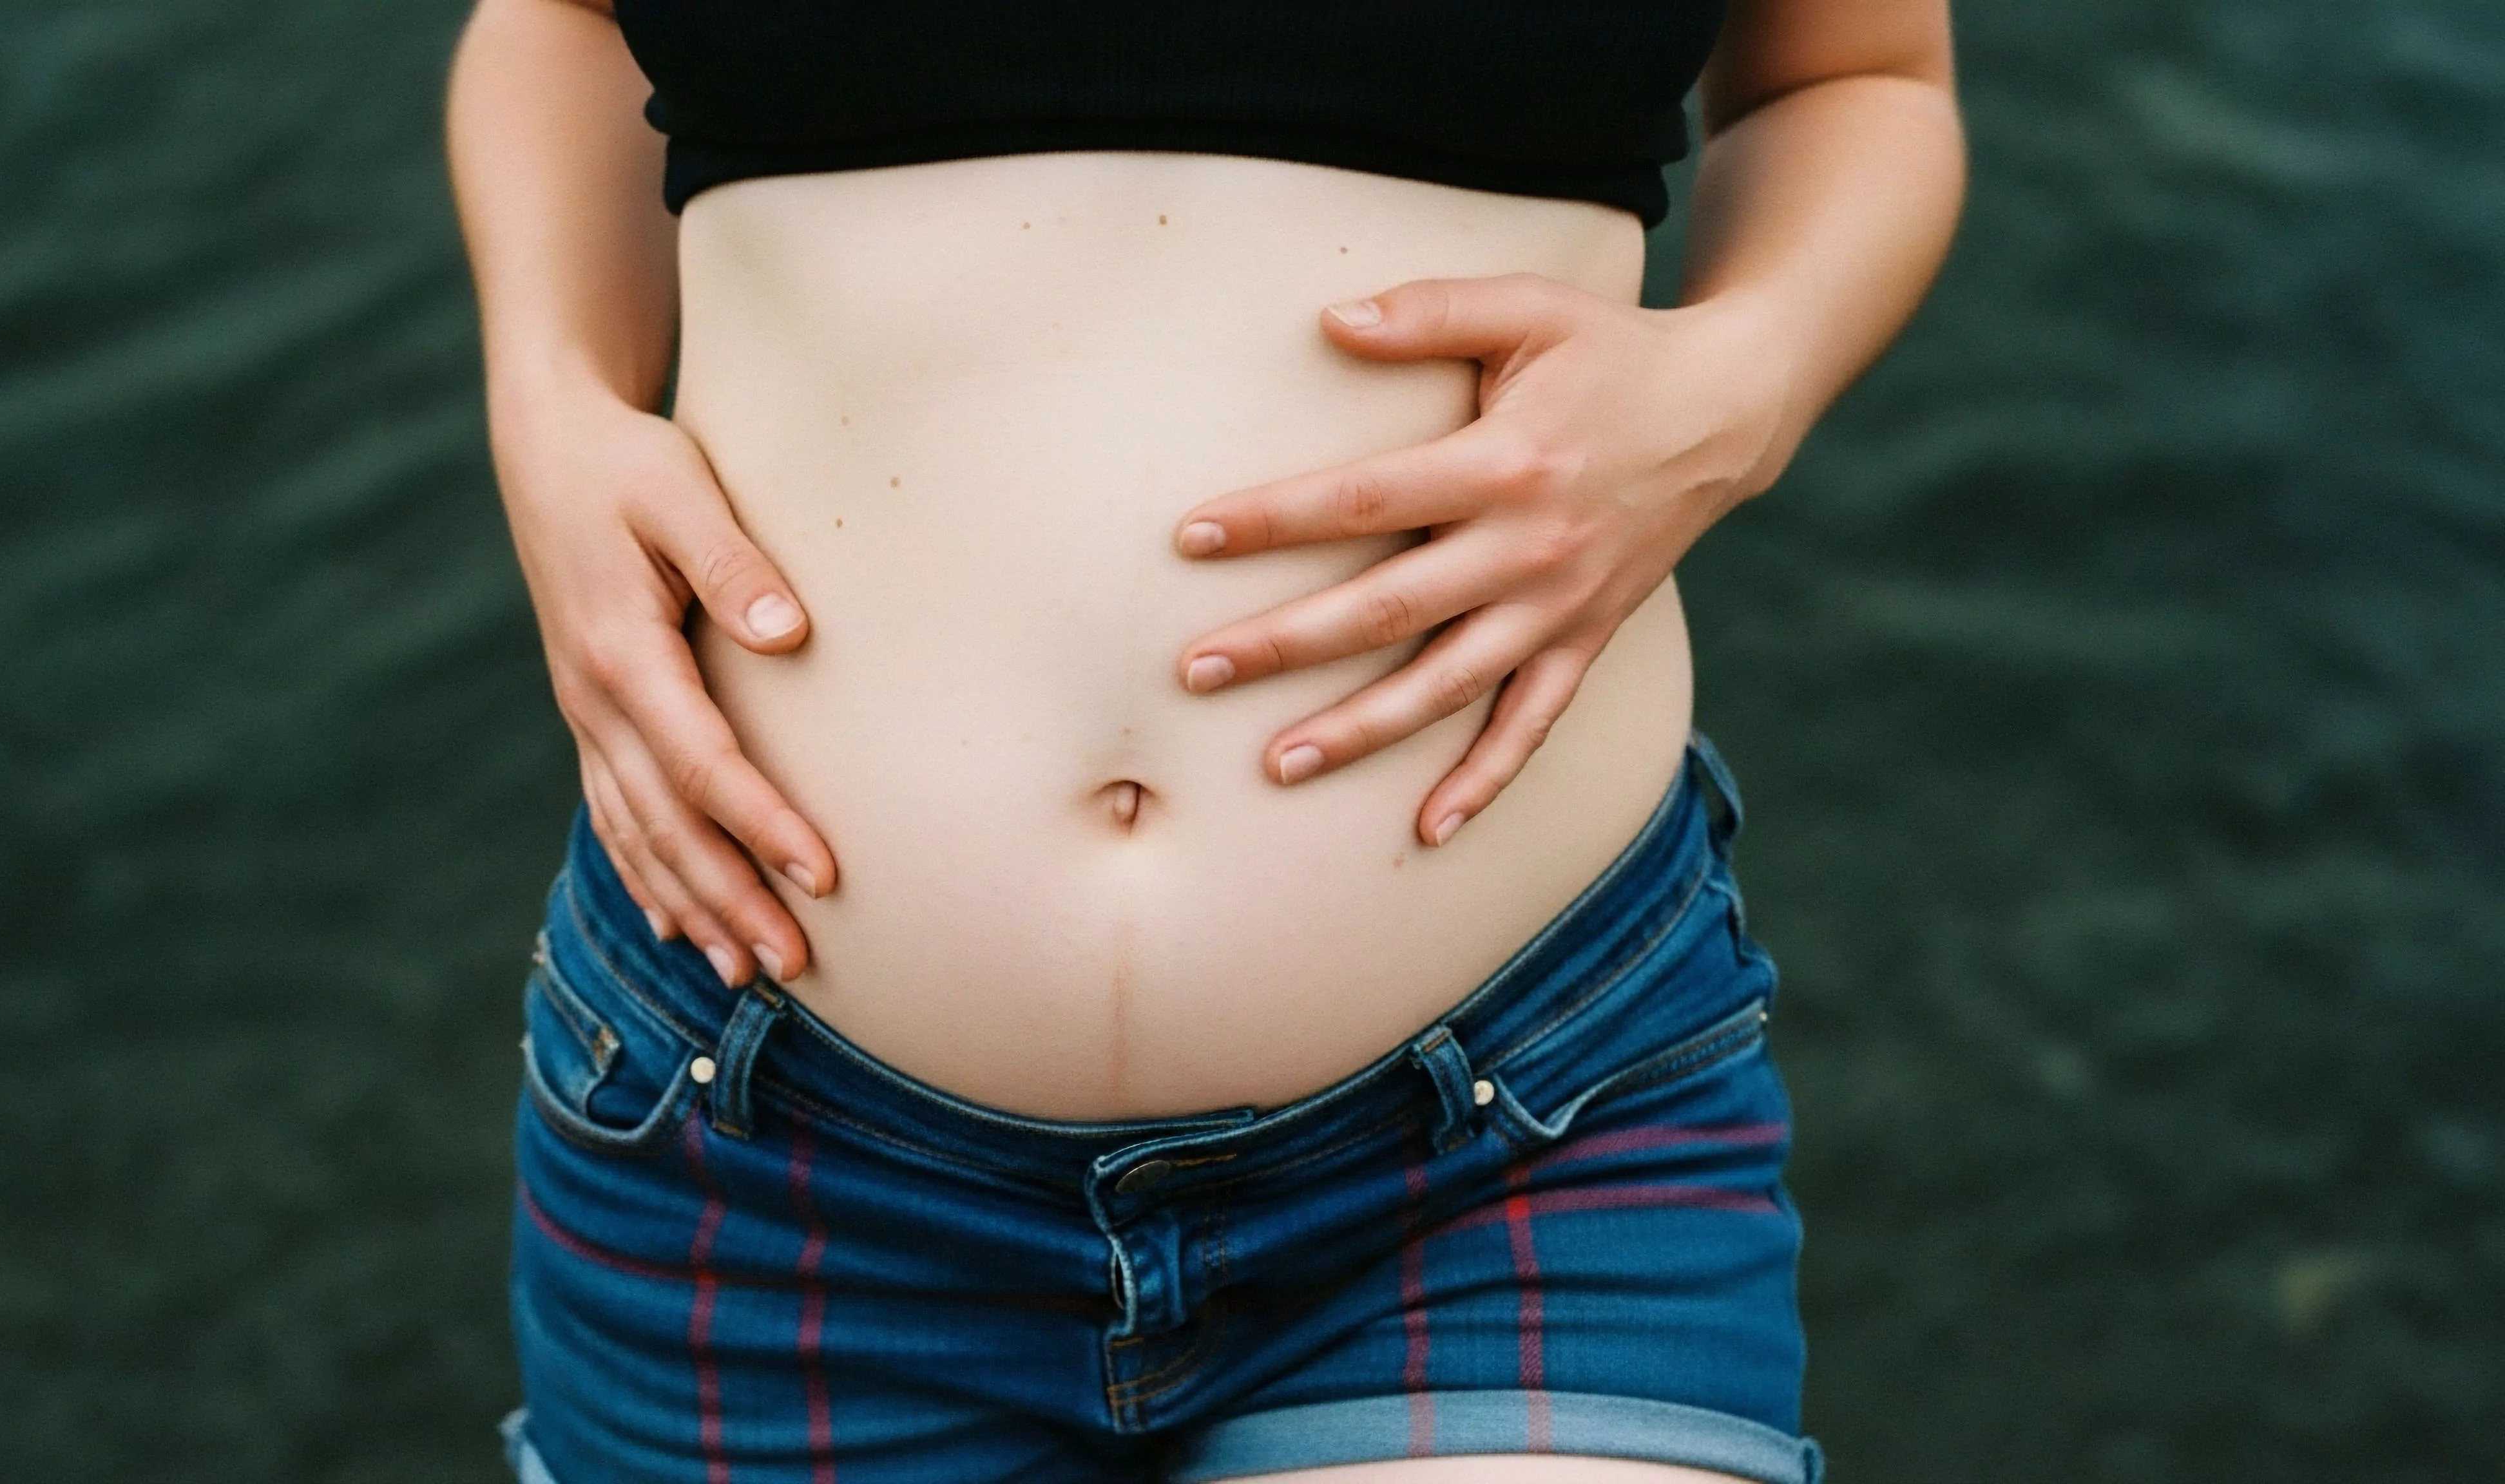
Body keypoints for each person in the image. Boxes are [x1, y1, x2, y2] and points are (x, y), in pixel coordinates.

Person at [446, 1, 1961, 1479]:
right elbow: (562, 22)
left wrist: (1740, 378)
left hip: (1512, 1129)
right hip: (763, 1130)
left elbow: (1858, 77)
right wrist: (550, 405)